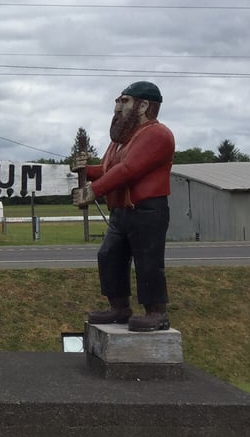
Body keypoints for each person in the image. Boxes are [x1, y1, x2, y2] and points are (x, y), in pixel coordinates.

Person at [71, 81, 175, 332]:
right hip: (121, 212)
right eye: (117, 101)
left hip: (147, 209)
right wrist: (84, 170)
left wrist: (92, 190)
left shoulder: (157, 135)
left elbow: (128, 170)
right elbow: (108, 170)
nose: (117, 107)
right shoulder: (119, 141)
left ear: (144, 105)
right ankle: (119, 307)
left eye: (124, 101)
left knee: (147, 260)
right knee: (109, 256)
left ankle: (156, 312)